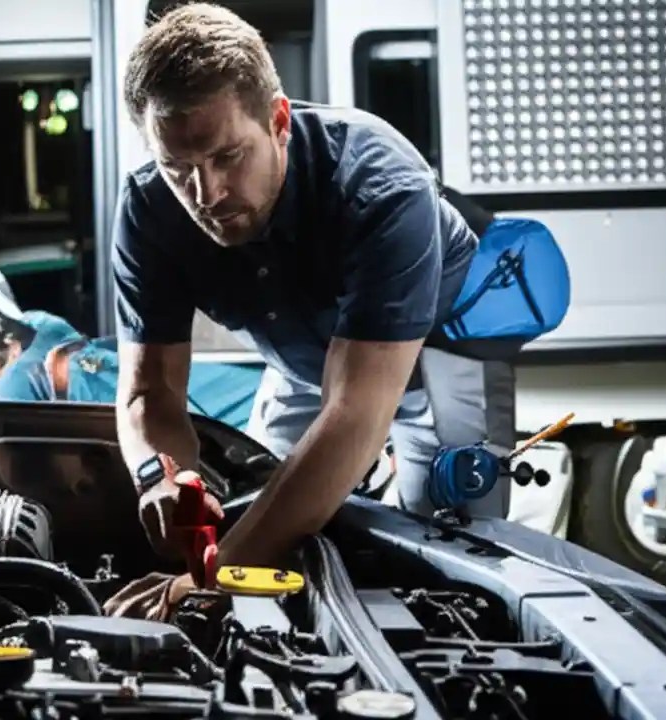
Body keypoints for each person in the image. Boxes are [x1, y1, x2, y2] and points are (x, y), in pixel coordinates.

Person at [105, 4, 533, 619]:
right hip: (311, 363)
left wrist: (209, 579)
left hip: (434, 361)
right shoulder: (149, 210)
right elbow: (149, 394)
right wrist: (161, 476)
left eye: (228, 157)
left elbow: (354, 412)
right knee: (257, 507)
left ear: (278, 121)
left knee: (445, 553)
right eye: (179, 169)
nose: (207, 195)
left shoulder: (382, 185)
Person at [0, 309, 263, 430]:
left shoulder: (43, 337)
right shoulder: (43, 336)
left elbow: (23, 319)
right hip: (122, 401)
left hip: (134, 374)